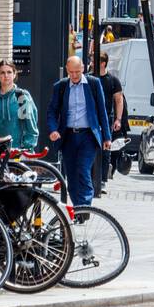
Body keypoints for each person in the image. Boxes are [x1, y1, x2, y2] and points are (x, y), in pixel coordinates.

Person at [47, 55, 111, 207]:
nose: (74, 75)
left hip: (88, 136)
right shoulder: (60, 86)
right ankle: (77, 209)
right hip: (68, 136)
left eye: (77, 71)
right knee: (72, 175)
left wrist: (107, 137)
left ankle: (85, 207)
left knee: (83, 170)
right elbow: (52, 111)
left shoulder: (94, 84)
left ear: (83, 68)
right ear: (67, 71)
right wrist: (53, 129)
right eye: (71, 72)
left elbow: (102, 111)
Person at [95, 51, 126, 193]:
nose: (91, 62)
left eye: (94, 60)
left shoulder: (112, 80)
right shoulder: (90, 77)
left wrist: (118, 119)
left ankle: (102, 180)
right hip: (92, 119)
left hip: (107, 118)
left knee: (106, 148)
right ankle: (92, 178)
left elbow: (119, 100)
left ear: (102, 63)